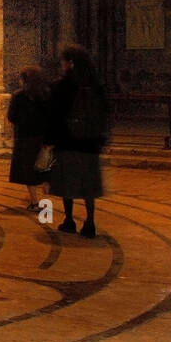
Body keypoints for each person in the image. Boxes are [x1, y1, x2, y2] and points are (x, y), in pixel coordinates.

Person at [45, 43, 108, 238]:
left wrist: (49, 141)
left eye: (63, 62)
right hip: (90, 144)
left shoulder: (61, 87)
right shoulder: (96, 85)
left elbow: (53, 116)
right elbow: (105, 113)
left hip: (67, 143)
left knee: (68, 185)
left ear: (70, 63)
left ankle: (69, 220)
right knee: (88, 185)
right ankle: (89, 222)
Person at [6, 64, 51, 210]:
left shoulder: (19, 96)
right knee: (43, 166)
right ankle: (45, 192)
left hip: (25, 137)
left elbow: (11, 116)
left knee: (28, 170)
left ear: (24, 80)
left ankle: (35, 201)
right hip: (42, 136)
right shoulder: (46, 94)